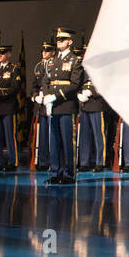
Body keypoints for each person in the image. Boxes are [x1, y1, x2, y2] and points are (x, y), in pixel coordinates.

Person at [43, 28, 82, 185]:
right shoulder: (52, 61)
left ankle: (68, 173)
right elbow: (46, 81)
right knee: (54, 141)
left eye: (62, 39)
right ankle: (55, 172)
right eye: (58, 39)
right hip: (53, 106)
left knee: (67, 141)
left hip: (66, 105)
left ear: (70, 42)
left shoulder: (75, 61)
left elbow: (74, 84)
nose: (58, 41)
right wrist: (46, 97)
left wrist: (55, 96)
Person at [0, 44, 24, 171]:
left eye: (3, 53)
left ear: (9, 54)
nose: (0, 55)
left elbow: (15, 88)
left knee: (9, 135)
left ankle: (13, 161)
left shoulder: (14, 69)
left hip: (8, 106)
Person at [75, 46, 110, 172]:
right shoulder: (82, 69)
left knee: (98, 135)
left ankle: (100, 161)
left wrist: (92, 92)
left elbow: (105, 85)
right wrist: (79, 94)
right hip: (85, 105)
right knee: (84, 135)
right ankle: (84, 162)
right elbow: (76, 82)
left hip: (96, 104)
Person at [31, 41, 55, 171]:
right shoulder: (39, 67)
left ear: (53, 52)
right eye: (43, 51)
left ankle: (54, 161)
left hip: (51, 102)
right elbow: (34, 85)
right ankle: (43, 161)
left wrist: (48, 95)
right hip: (41, 104)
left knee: (53, 134)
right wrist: (35, 96)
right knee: (43, 134)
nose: (44, 53)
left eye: (47, 51)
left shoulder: (55, 65)